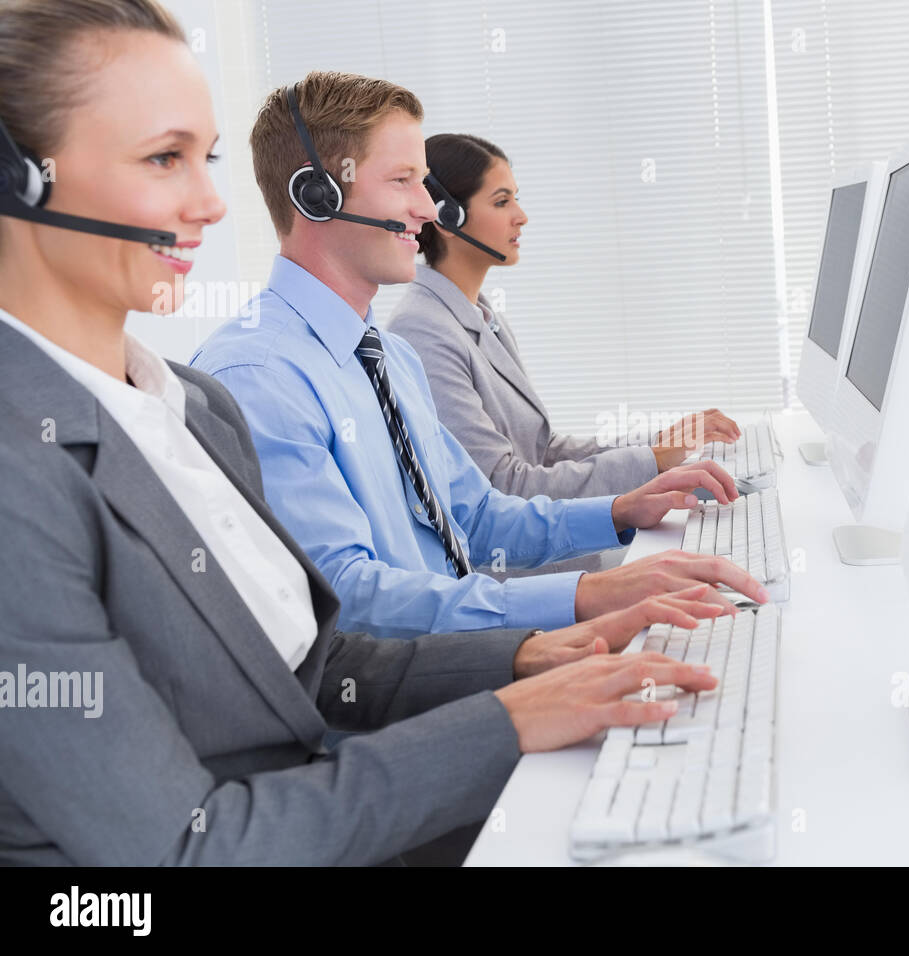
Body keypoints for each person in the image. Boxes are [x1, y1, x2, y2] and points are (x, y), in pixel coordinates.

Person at [0, 0, 722, 866]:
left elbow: (321, 661)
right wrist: (505, 717)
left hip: (357, 777)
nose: (211, 205)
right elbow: (184, 847)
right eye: (164, 157)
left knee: (692, 779)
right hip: (305, 824)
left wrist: (530, 656)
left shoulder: (193, 405)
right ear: (17, 177)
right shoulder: (43, 466)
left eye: (207, 159)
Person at [191, 71, 768, 641]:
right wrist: (586, 595)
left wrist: (620, 510)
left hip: (465, 653)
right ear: (316, 196)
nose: (428, 209)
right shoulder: (259, 378)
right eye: (402, 181)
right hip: (415, 686)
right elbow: (346, 597)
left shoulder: (388, 357)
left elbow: (476, 514)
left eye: (424, 183)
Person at [387, 132, 742, 500]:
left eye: (516, 199)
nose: (521, 217)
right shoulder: (423, 331)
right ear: (447, 217)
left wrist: (661, 443)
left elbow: (542, 452)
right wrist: (653, 460)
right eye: (502, 202)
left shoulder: (482, 316)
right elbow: (502, 485)